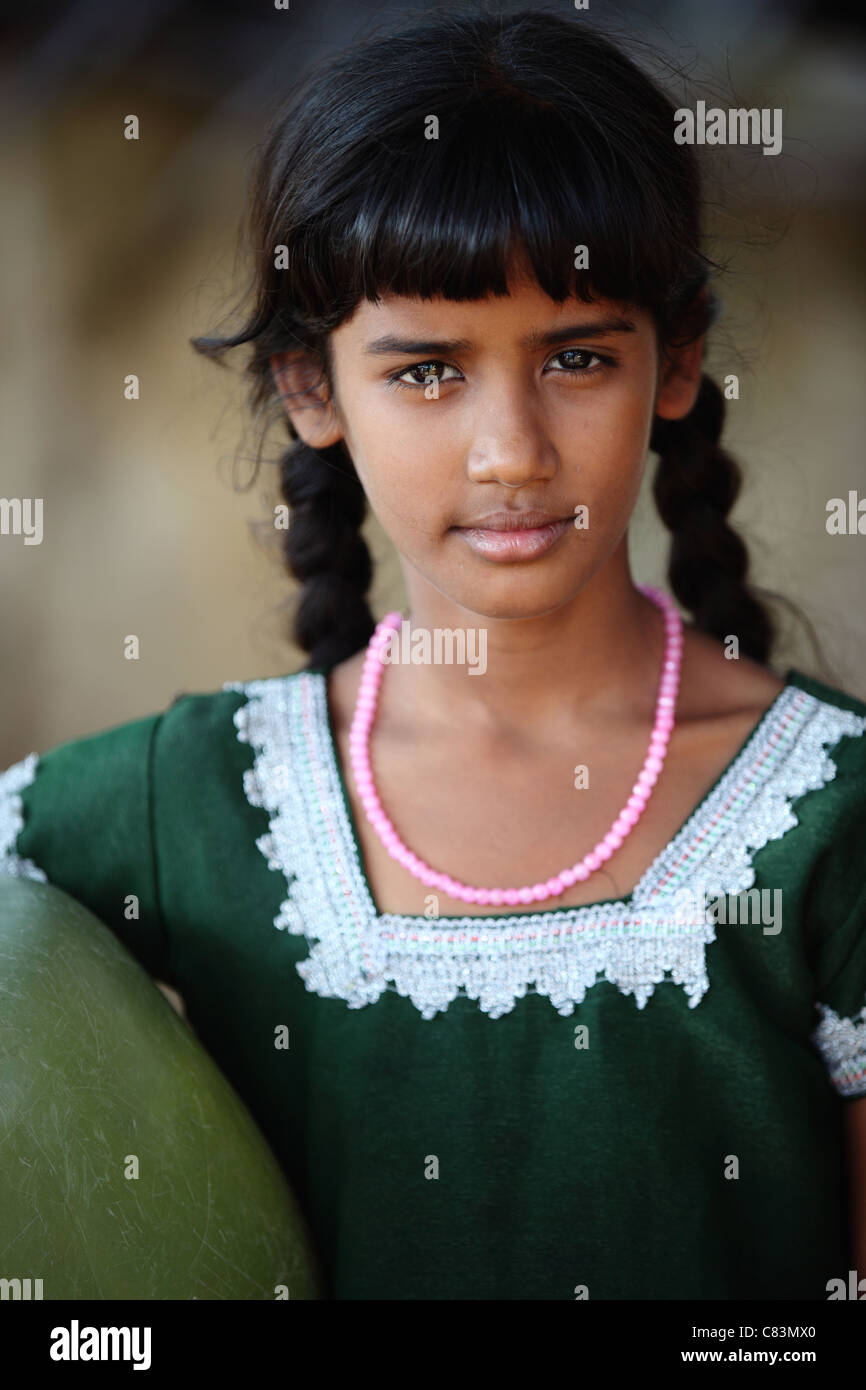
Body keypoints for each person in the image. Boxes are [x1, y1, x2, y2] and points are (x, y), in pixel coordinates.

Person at [2, 9, 865, 1300]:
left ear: (675, 361)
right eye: (425, 371)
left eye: (575, 356)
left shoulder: (830, 813)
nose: (510, 448)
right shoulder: (186, 804)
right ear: (309, 387)